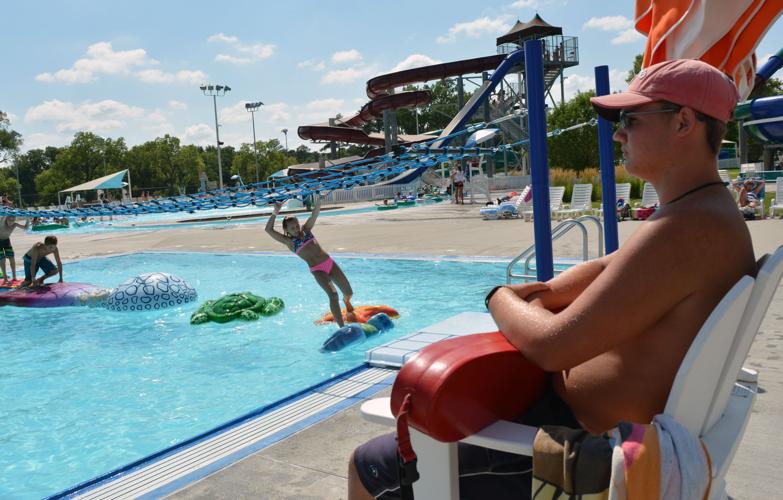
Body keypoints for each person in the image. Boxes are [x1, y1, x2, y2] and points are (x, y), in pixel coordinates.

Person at [348, 59, 754, 499]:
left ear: (683, 122)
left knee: (369, 465)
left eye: (631, 120)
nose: (618, 133)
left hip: (578, 444)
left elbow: (552, 345)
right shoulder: (699, 215)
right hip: (565, 413)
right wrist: (538, 301)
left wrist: (500, 295)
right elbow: (594, 274)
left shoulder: (688, 230)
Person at [265, 196, 355, 327]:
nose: (296, 229)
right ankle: (342, 328)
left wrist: (318, 202)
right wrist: (275, 212)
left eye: (296, 225)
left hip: (329, 263)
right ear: (287, 231)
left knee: (348, 292)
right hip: (318, 270)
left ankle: (346, 302)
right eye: (292, 228)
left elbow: (315, 214)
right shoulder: (289, 242)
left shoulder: (306, 230)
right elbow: (268, 230)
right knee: (333, 295)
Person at [0, 206, 29, 284]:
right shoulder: (2, 221)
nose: (11, 222)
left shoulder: (14, 224)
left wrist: (28, 219)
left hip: (6, 241)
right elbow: (5, 212)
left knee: (12, 258)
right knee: (2, 260)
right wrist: (7, 208)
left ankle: (14, 277)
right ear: (7, 218)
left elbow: (26, 228)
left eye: (13, 220)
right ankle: (5, 278)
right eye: (10, 220)